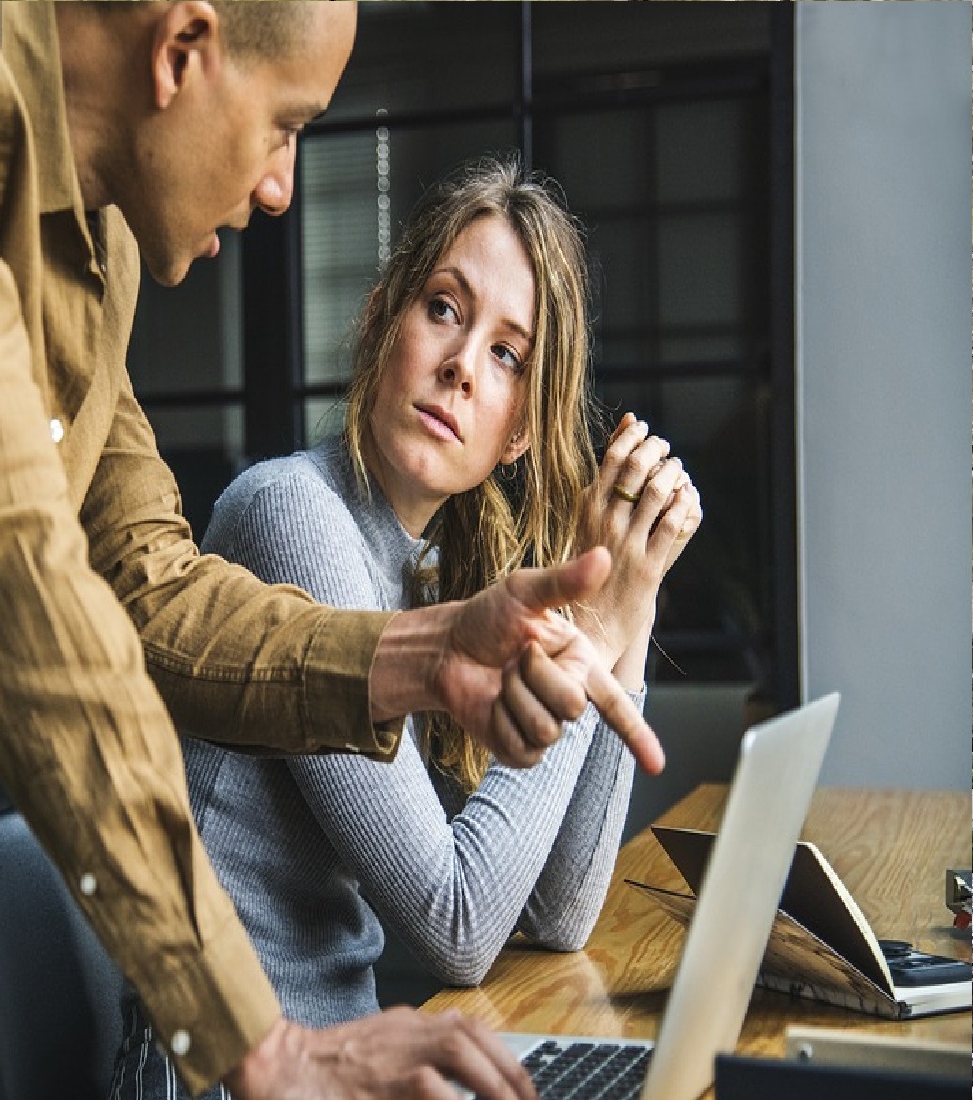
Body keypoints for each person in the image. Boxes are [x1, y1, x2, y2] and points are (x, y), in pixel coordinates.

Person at [0, 6, 661, 1100]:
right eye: (285, 123)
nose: (282, 183)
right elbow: (16, 590)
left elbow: (152, 584)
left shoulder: (92, 249)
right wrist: (265, 1045)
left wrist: (428, 651)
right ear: (181, 51)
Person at [112, 155, 703, 1100]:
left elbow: (559, 911)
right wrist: (589, 627)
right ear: (384, 318)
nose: (463, 366)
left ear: (516, 431)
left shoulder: (428, 574)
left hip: (352, 1064)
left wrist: (625, 618)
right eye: (443, 308)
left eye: (508, 354)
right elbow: (458, 926)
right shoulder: (289, 516)